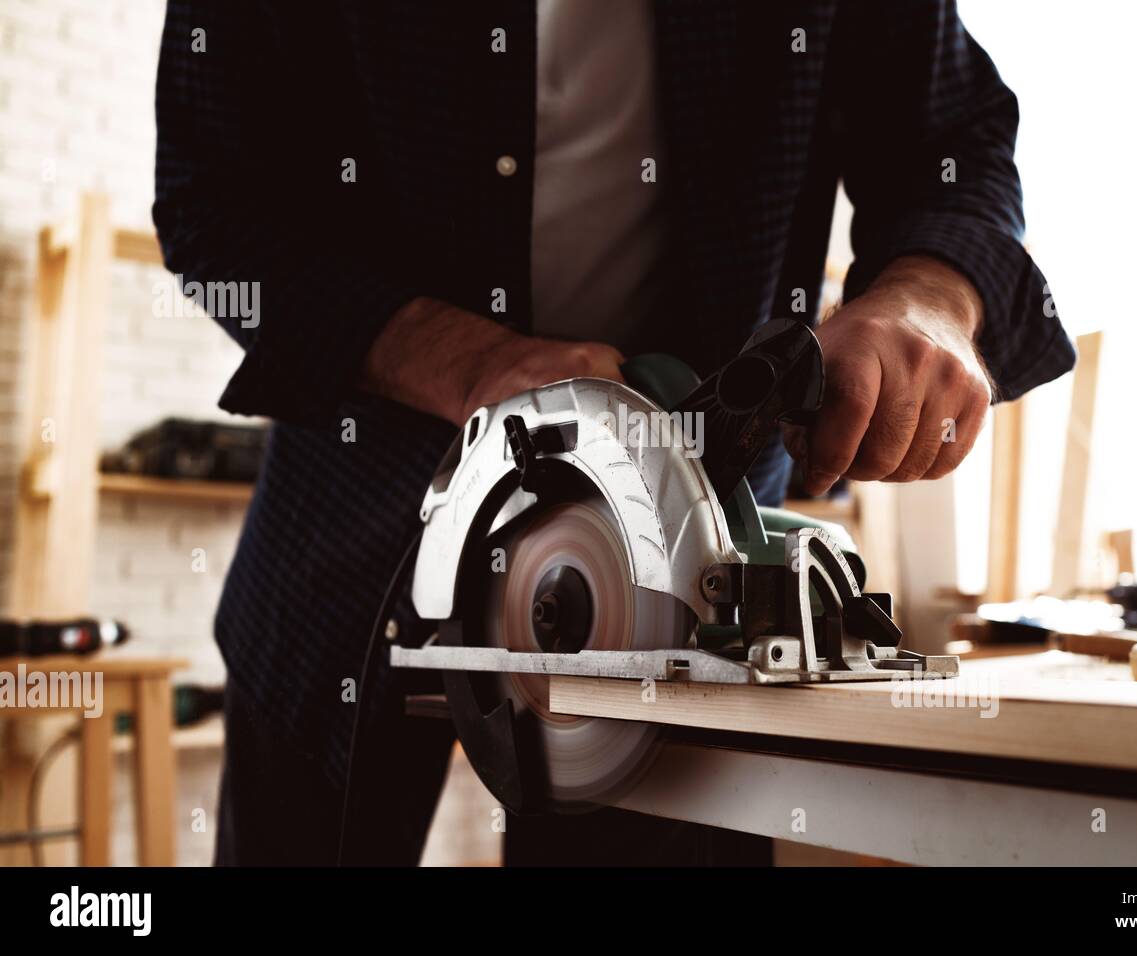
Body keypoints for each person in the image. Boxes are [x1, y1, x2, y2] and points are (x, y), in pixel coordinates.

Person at [154, 0, 1073, 865]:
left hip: (692, 561)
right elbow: (215, 201)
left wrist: (926, 296)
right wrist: (464, 360)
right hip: (354, 522)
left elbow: (951, 142)